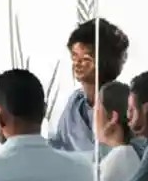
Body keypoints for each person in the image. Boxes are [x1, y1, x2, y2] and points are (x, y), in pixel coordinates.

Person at [48, 18, 130, 157]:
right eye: (74, 57)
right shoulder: (75, 102)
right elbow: (59, 144)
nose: (77, 64)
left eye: (86, 58)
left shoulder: (122, 100)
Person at [95, 81, 140, 181]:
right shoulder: (130, 156)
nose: (93, 117)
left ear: (113, 118)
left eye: (96, 110)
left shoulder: (114, 164)